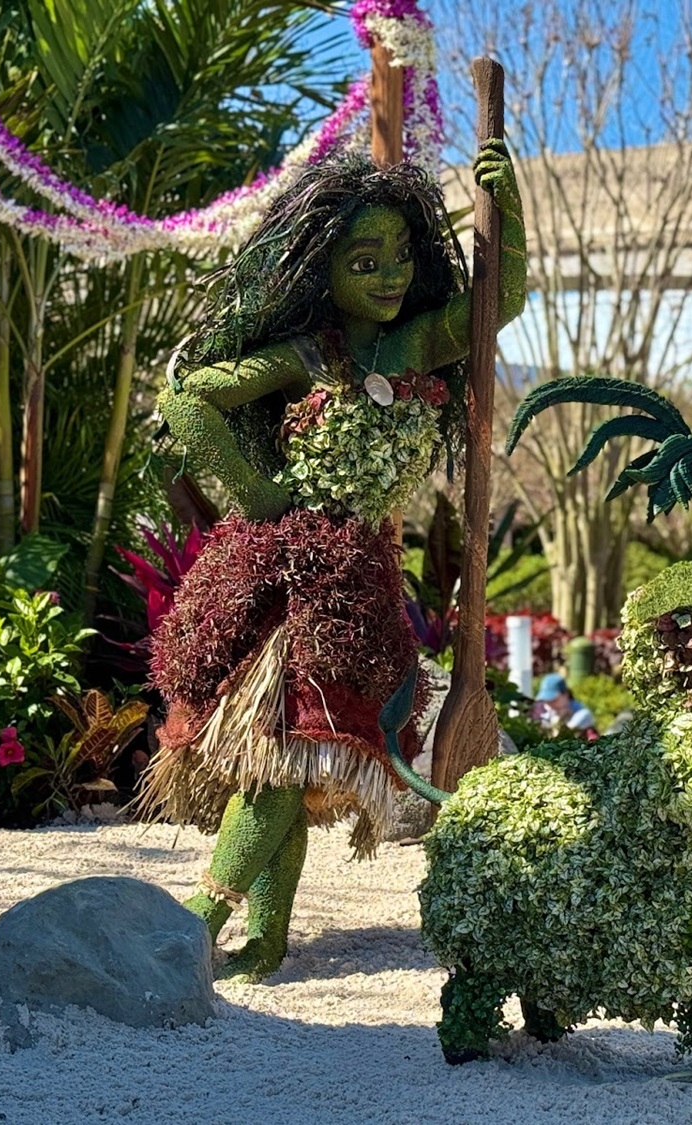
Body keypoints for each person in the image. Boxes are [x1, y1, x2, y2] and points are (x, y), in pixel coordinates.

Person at [138, 144, 526, 982]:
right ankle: (214, 924)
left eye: (400, 258)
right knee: (281, 758)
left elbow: (501, 304)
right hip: (280, 585)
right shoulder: (308, 355)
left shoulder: (420, 342)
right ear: (325, 271)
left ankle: (245, 934)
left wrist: (512, 210)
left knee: (296, 757)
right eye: (364, 261)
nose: (389, 276)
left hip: (358, 591)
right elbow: (186, 397)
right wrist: (256, 491)